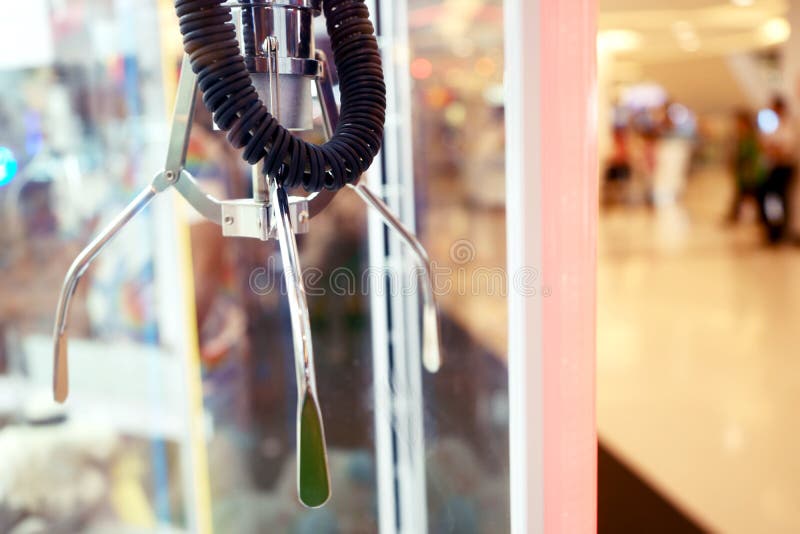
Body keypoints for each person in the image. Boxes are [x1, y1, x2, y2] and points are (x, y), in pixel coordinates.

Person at [759, 96, 797, 243]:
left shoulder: (789, 126)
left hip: (784, 167)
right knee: (769, 196)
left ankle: (779, 230)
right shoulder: (774, 126)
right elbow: (767, 146)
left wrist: (775, 150)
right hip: (774, 167)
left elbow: (786, 150)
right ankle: (773, 228)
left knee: (781, 199)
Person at [727, 110, 765, 223]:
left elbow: (751, 157)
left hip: (750, 174)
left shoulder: (751, 138)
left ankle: (761, 219)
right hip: (744, 173)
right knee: (744, 196)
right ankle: (735, 216)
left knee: (753, 196)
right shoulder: (741, 137)